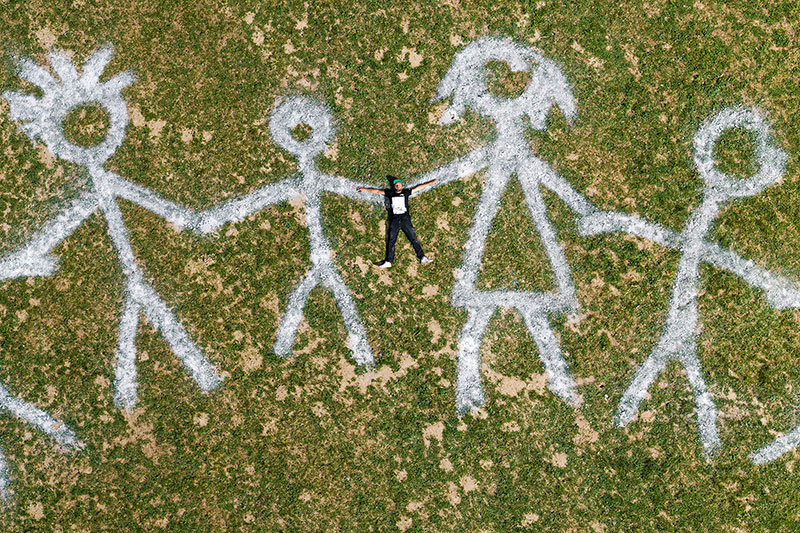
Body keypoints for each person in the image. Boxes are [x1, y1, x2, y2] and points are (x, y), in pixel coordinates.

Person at [357, 175, 438, 268]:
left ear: (402, 186)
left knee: (413, 238)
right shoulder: (390, 193)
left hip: (405, 219)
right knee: (391, 240)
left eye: (399, 185)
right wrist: (365, 189)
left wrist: (430, 183)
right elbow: (377, 191)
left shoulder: (406, 192)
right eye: (395, 185)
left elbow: (418, 188)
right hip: (395, 219)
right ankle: (389, 261)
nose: (397, 186)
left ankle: (422, 257)